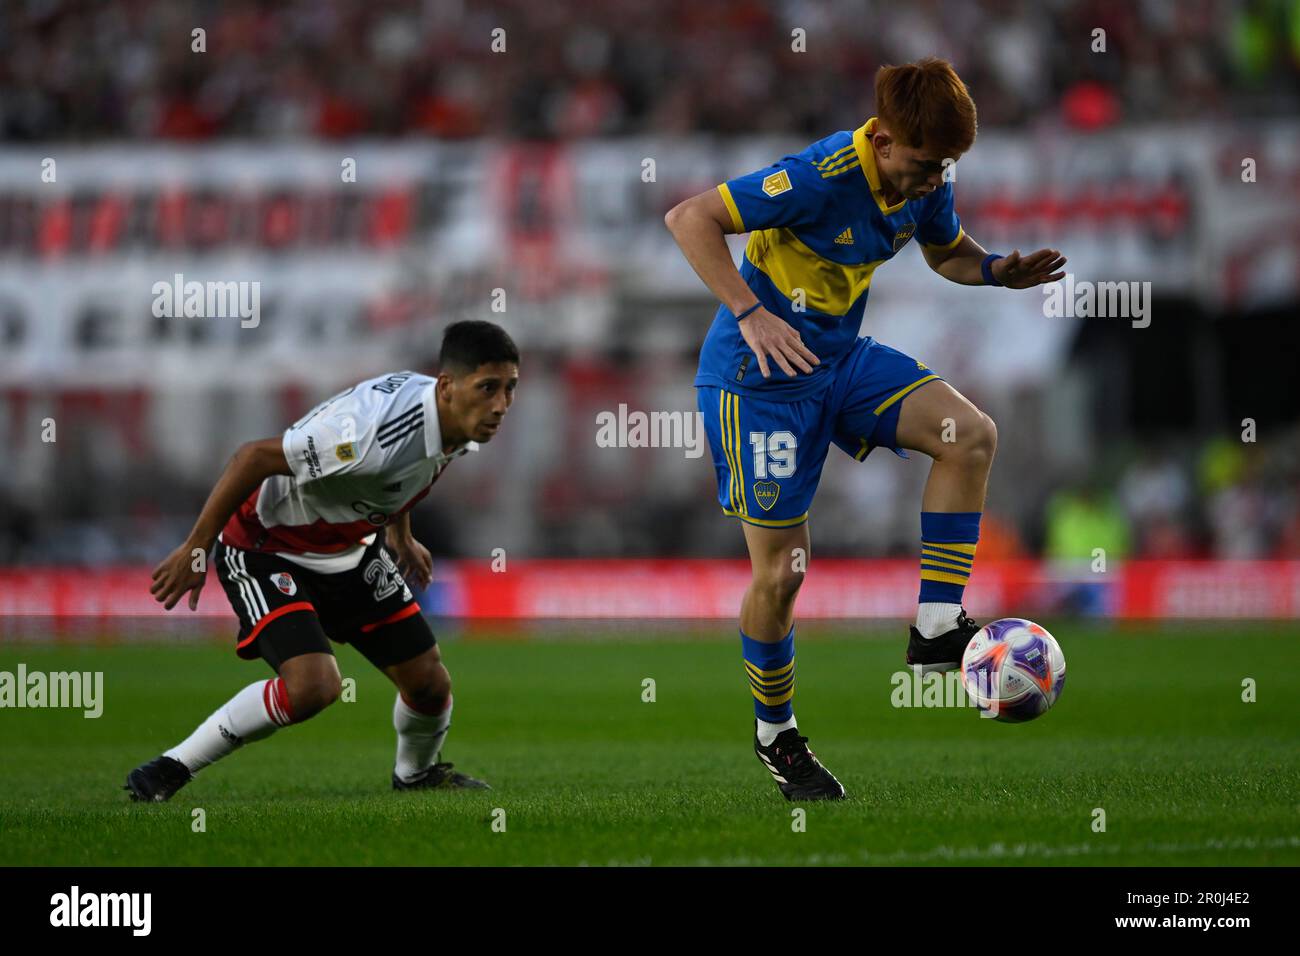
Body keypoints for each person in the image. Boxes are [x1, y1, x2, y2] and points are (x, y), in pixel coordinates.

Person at [664, 58, 1065, 800]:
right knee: (784, 573)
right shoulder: (818, 175)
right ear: (881, 139)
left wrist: (998, 269)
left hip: (838, 358)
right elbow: (689, 217)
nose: (931, 179)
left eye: (943, 167)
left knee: (968, 433)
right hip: (759, 381)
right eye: (920, 164)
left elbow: (946, 250)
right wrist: (751, 314)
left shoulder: (929, 176)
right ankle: (776, 735)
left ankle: (938, 626)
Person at [125, 321, 519, 801]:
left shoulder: (455, 418)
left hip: (349, 548)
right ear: (448, 386)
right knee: (313, 687)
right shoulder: (369, 434)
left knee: (429, 684)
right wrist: (196, 547)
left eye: (510, 389)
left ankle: (416, 777)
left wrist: (400, 533)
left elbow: (407, 473)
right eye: (489, 388)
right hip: (268, 547)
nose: (501, 405)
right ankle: (169, 768)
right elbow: (252, 457)